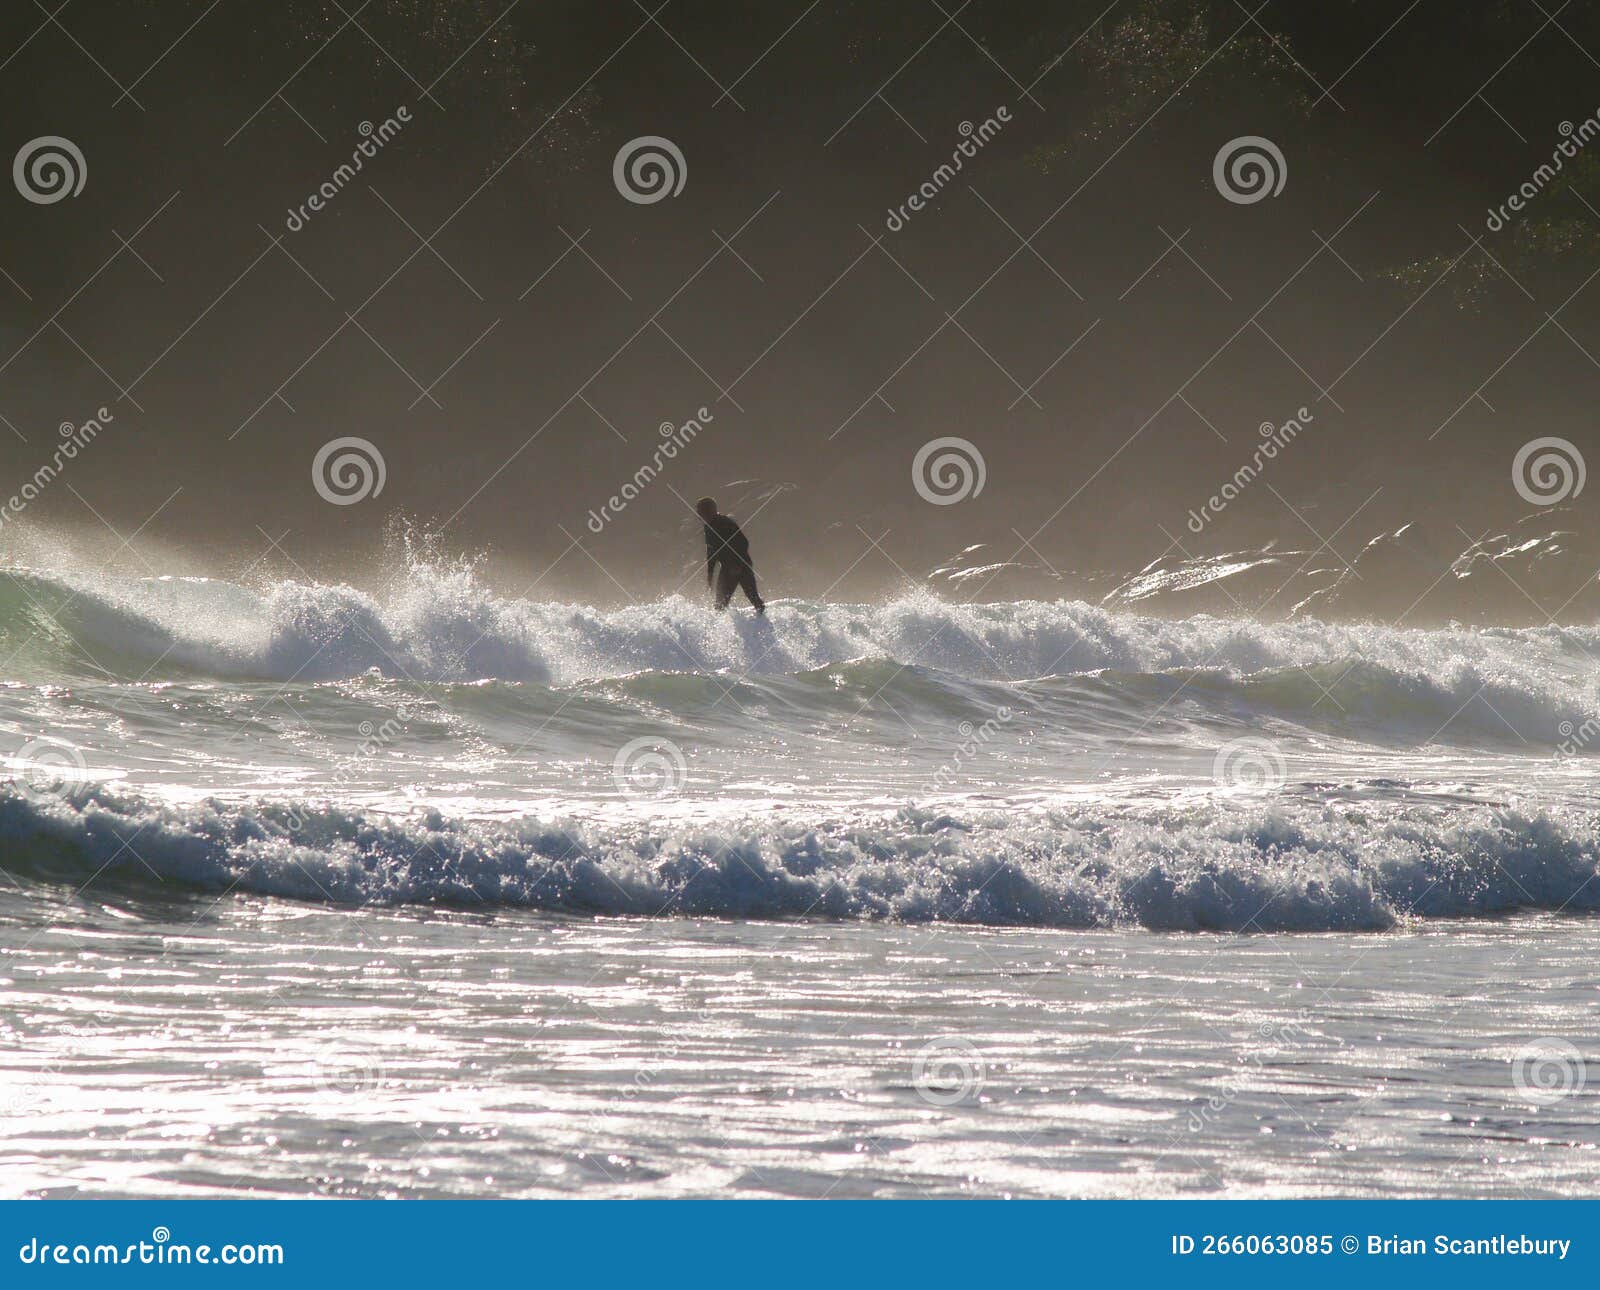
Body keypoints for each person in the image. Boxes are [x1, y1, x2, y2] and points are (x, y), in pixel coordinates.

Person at [696, 496, 765, 613]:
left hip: (741, 565)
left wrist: (737, 564)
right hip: (727, 567)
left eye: (702, 512)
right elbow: (711, 551)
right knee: (720, 604)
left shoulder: (725, 522)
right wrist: (710, 573)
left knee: (753, 597)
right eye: (699, 513)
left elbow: (743, 542)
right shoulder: (708, 527)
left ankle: (763, 620)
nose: (700, 516)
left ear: (712, 510)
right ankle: (723, 624)